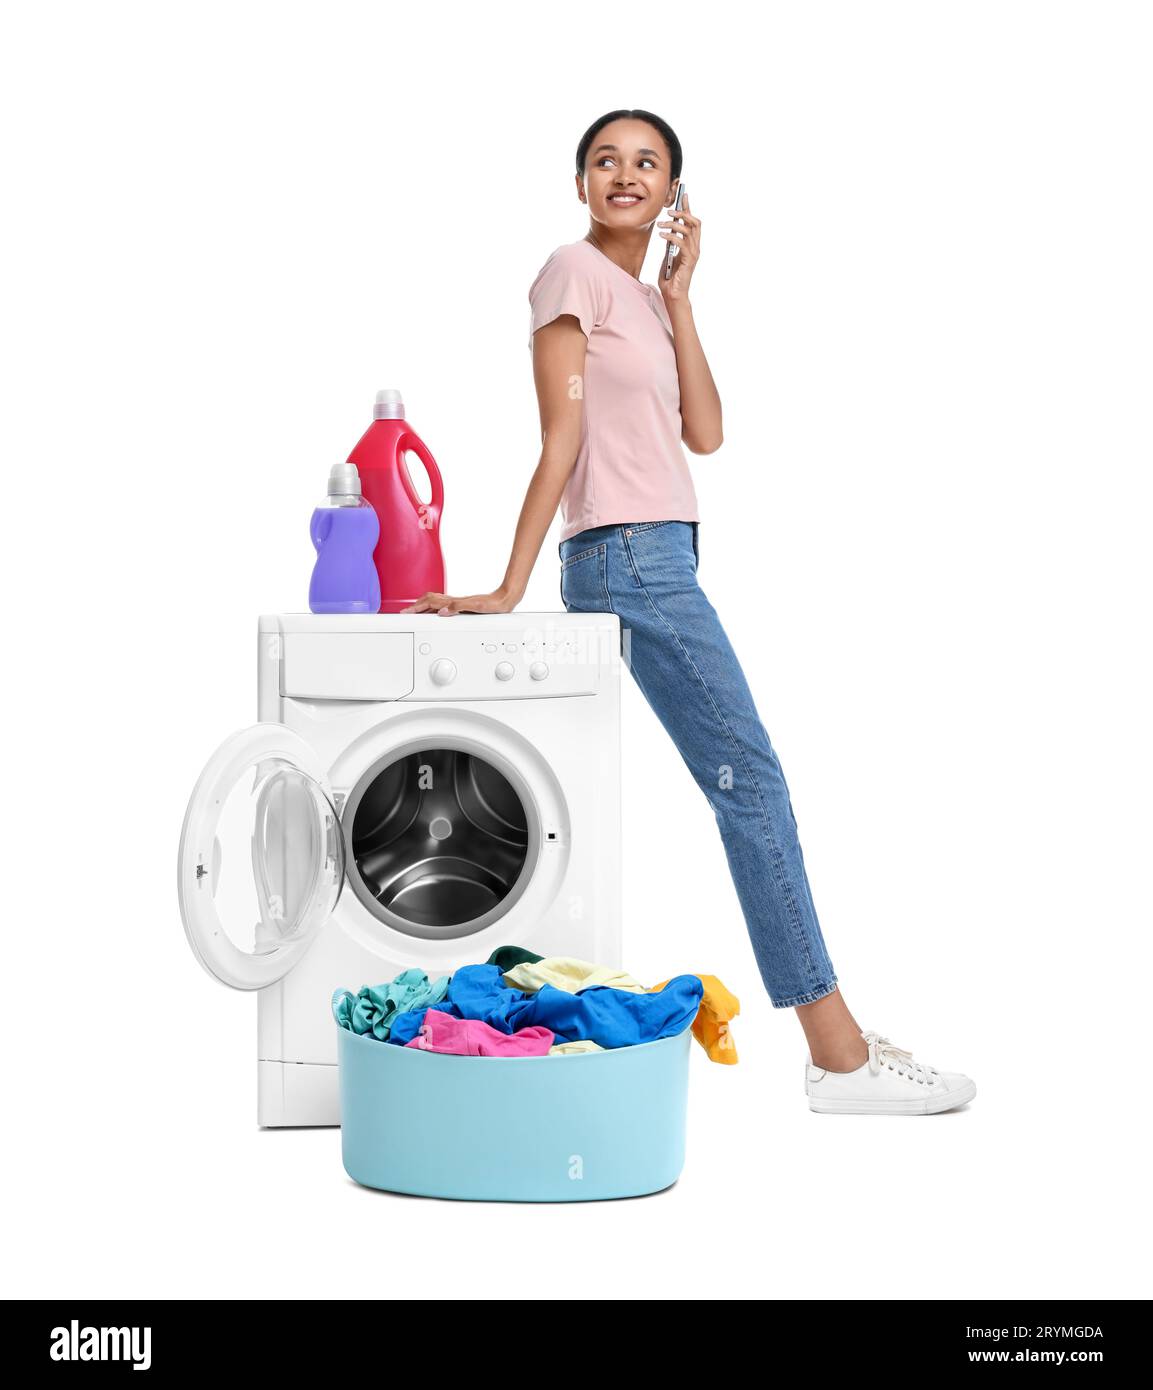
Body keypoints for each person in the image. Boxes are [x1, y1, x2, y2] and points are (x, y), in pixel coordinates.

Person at [403, 108, 975, 1114]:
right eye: (605, 161)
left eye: (647, 162)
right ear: (579, 181)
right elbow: (560, 438)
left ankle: (831, 1047)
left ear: (673, 192)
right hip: (628, 556)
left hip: (661, 551)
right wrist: (508, 586)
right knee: (750, 784)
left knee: (741, 783)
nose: (624, 174)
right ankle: (837, 1056)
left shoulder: (644, 296)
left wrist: (680, 298)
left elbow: (704, 433)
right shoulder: (568, 275)